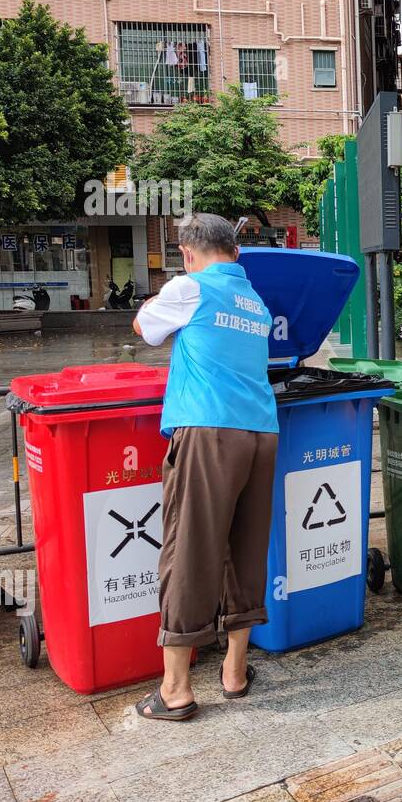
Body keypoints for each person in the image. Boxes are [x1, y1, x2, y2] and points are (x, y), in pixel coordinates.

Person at [131, 213, 279, 720]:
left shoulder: (187, 286)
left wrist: (164, 296)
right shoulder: (255, 302)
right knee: (246, 549)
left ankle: (175, 690)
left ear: (189, 254)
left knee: (190, 550)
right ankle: (234, 673)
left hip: (209, 432)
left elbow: (145, 329)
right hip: (262, 433)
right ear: (235, 254)